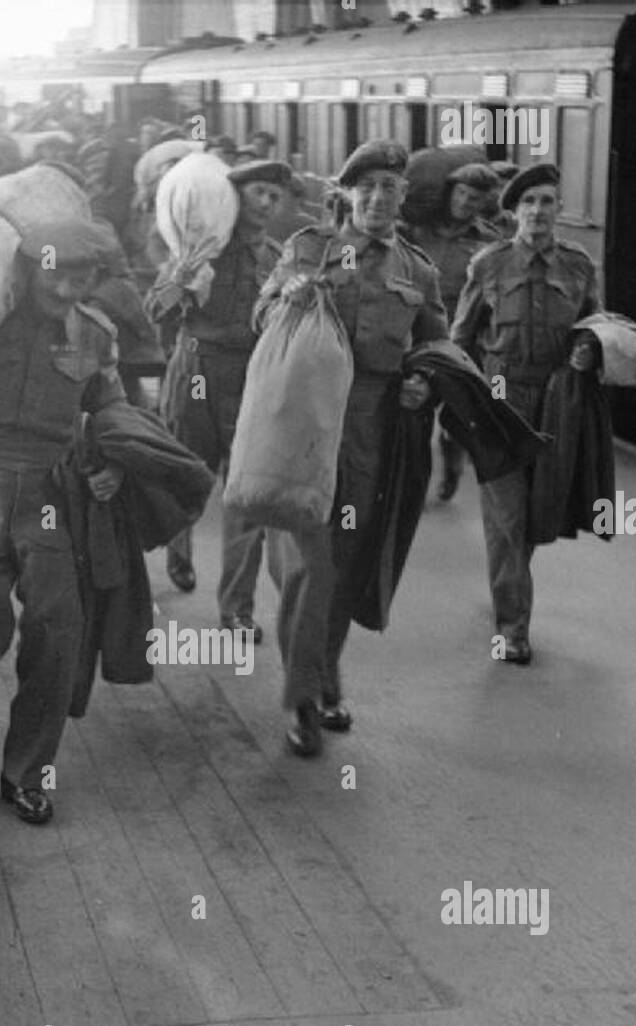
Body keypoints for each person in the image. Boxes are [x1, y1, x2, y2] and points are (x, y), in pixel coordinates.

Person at [0, 218, 127, 824]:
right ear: (26, 267)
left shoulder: (93, 335)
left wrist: (112, 459)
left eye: (80, 278)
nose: (66, 289)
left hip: (50, 492)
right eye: (55, 272)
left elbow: (110, 404)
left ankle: (28, 770)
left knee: (58, 631)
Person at [253, 140, 449, 755]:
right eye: (366, 188)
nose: (378, 199)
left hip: (369, 432)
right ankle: (304, 696)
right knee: (307, 565)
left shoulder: (418, 272)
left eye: (390, 188)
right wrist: (283, 299)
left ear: (402, 198)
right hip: (304, 423)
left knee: (342, 564)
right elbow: (261, 317)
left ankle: (322, 670)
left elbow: (436, 349)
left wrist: (422, 382)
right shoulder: (310, 249)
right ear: (346, 195)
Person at [451, 162, 601, 665]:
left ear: (559, 210)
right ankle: (512, 628)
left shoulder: (579, 267)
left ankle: (506, 591)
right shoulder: (488, 265)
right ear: (514, 212)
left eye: (547, 202)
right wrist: (463, 405)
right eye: (529, 203)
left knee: (535, 515)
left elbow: (594, 325)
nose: (538, 211)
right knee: (509, 519)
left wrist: (587, 350)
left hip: (555, 406)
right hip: (500, 401)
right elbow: (461, 338)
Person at [147, 158, 294, 641]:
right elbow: (155, 309)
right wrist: (180, 279)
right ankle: (177, 545)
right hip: (196, 373)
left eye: (275, 196)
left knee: (245, 495)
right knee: (187, 475)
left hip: (250, 380)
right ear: (238, 195)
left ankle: (236, 609)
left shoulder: (277, 258)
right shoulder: (202, 245)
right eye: (259, 193)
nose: (267, 204)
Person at [403, 162, 501, 500]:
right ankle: (413, 480)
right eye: (460, 194)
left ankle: (452, 468)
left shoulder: (488, 240)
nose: (465, 203)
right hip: (418, 332)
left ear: (482, 203)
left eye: (473, 199)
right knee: (414, 408)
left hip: (464, 339)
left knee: (457, 413)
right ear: (450, 193)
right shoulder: (419, 229)